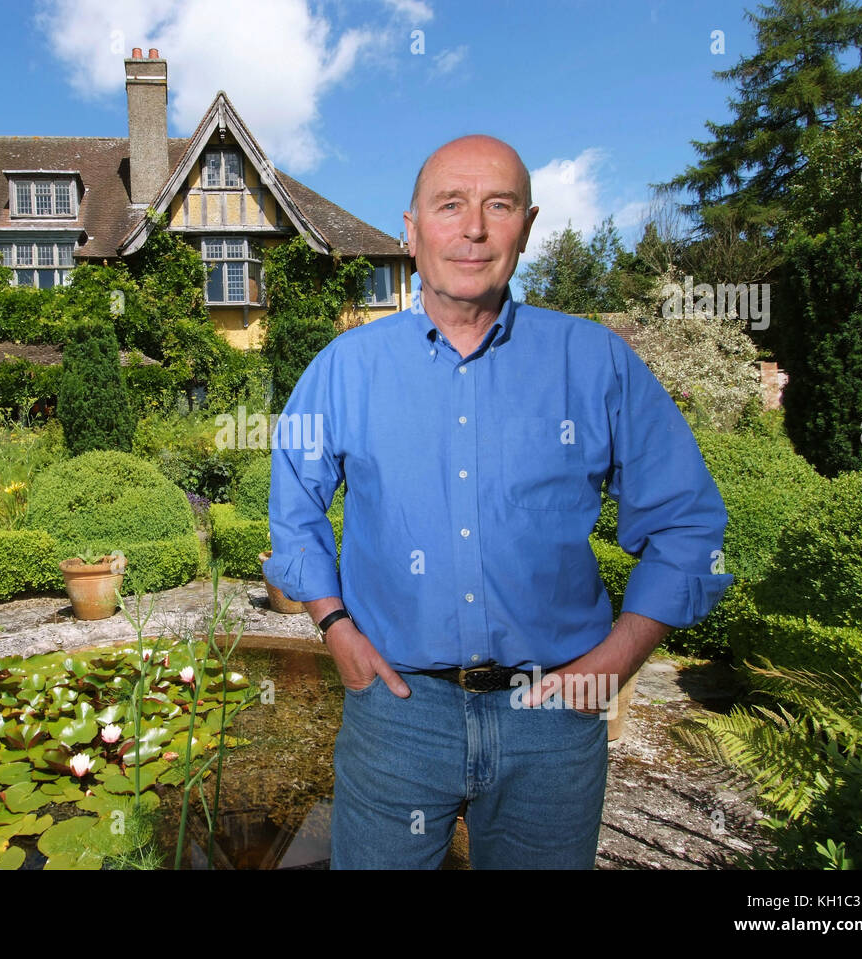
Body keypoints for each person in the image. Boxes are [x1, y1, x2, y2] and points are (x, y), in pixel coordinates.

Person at [263, 134, 734, 870]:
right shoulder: (344, 370)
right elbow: (293, 506)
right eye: (449, 205)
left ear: (528, 225)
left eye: (499, 205)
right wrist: (335, 626)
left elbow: (689, 525)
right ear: (411, 231)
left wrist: (616, 659)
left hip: (551, 725)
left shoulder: (595, 362)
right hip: (398, 715)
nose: (473, 227)